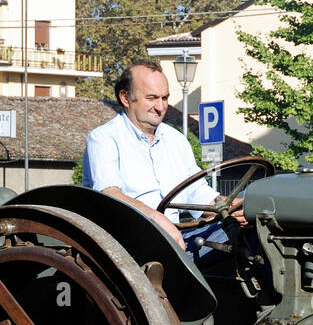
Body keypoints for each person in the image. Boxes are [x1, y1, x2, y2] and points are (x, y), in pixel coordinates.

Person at [82, 60, 244, 254]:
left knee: (249, 236)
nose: (161, 107)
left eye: (165, 98)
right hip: (130, 242)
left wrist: (229, 207)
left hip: (178, 237)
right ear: (125, 97)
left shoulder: (176, 140)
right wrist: (157, 218)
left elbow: (197, 193)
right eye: (152, 98)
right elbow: (110, 194)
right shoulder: (104, 139)